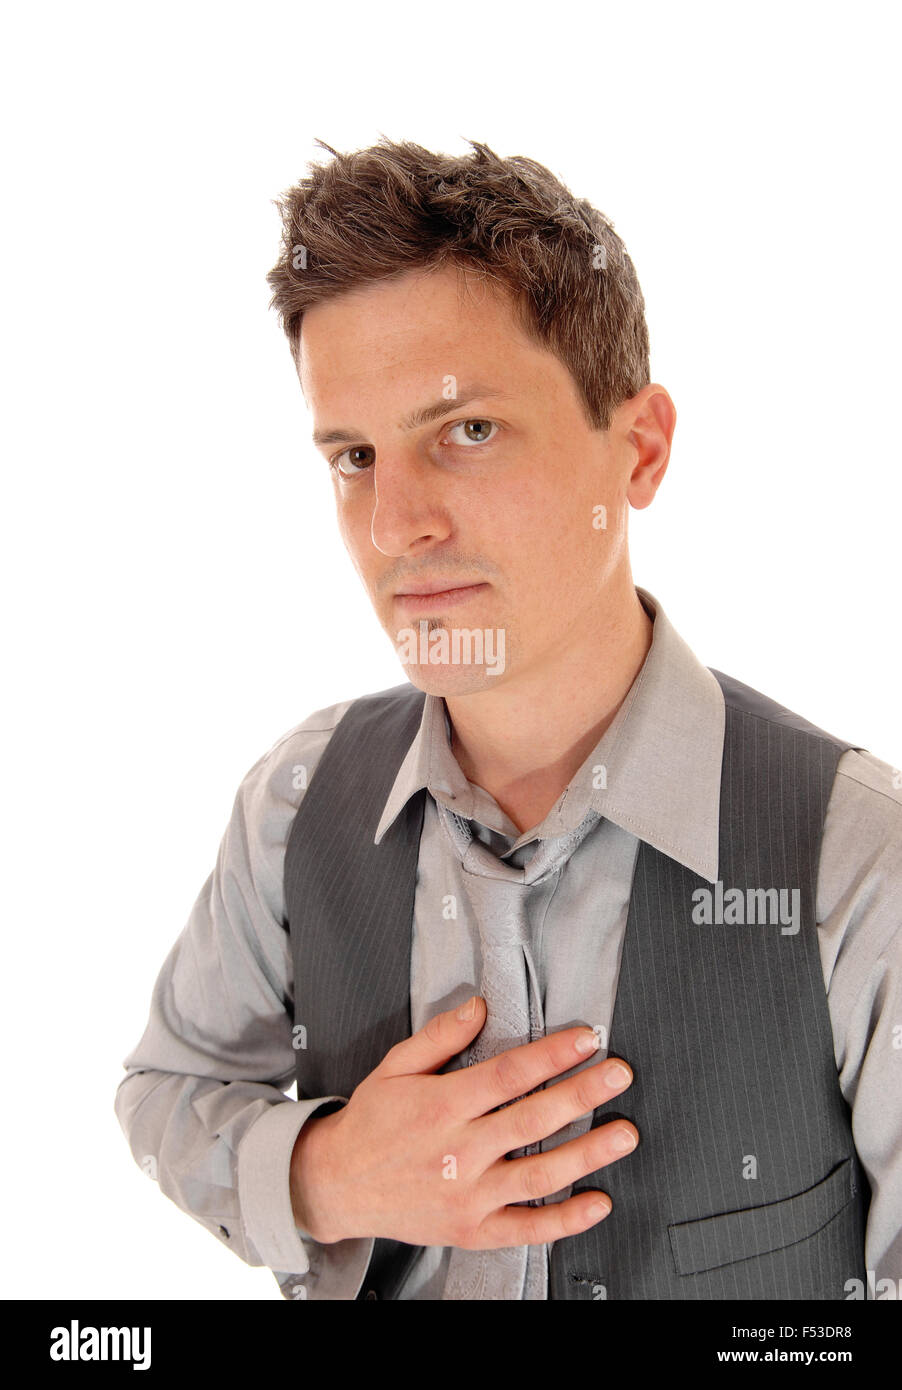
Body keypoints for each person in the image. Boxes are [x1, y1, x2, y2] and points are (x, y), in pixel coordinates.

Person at [115, 137, 902, 1301]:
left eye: (465, 432)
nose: (392, 525)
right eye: (353, 454)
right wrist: (328, 1173)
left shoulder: (853, 856)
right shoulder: (293, 805)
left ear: (636, 448)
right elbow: (168, 1088)